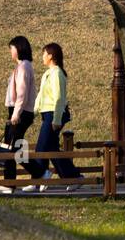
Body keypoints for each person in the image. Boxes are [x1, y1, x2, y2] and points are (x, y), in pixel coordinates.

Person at [25, 42, 83, 192]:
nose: (42, 57)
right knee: (51, 148)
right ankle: (74, 177)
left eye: (44, 54)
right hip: (47, 114)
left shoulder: (57, 73)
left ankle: (39, 179)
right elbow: (40, 97)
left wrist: (57, 119)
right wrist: (32, 114)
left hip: (53, 114)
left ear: (50, 56)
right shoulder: (48, 74)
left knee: (41, 148)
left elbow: (59, 98)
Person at [0, 36, 39, 194]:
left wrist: (16, 114)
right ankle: (13, 182)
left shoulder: (24, 67)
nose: (10, 52)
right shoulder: (23, 67)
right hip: (18, 111)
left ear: (19, 49)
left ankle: (12, 183)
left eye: (12, 48)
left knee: (11, 148)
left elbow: (22, 94)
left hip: (20, 112)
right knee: (14, 146)